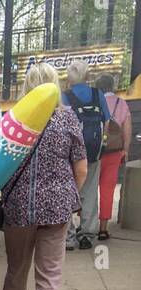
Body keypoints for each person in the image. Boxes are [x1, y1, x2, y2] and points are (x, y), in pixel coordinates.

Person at [0, 64, 87, 290]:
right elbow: (81, 168)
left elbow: (0, 166)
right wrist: (67, 194)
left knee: (16, 270)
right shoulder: (67, 119)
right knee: (49, 275)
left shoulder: (13, 121)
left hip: (20, 208)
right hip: (57, 209)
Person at [62, 59, 110, 249]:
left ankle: (68, 237)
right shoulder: (98, 95)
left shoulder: (65, 97)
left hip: (69, 155)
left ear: (69, 78)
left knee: (66, 192)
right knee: (90, 192)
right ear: (87, 76)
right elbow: (106, 121)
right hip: (93, 152)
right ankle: (87, 235)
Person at [96, 73, 132, 238]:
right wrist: (125, 149)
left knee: (88, 189)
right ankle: (103, 228)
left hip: (94, 152)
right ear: (112, 86)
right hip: (114, 152)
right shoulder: (121, 103)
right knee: (107, 189)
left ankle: (84, 225)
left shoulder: (95, 102)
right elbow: (127, 130)